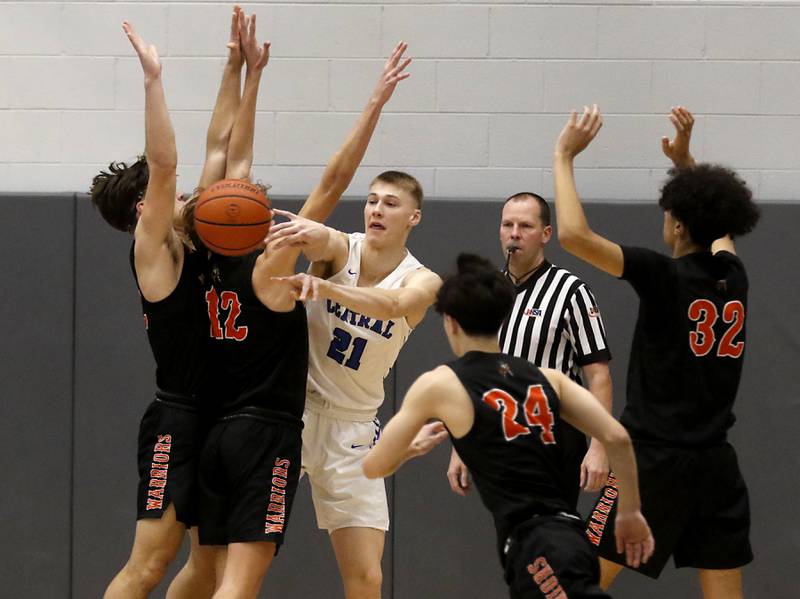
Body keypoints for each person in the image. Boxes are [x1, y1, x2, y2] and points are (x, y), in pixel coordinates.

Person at [191, 28, 415, 599]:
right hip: (274, 424)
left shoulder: (198, 256)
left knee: (199, 573)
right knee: (235, 585)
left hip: (235, 421)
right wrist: (375, 103)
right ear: (252, 222)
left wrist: (246, 73)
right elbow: (334, 180)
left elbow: (223, 156)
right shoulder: (274, 262)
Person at [552, 104, 759, 598]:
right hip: (715, 465)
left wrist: (563, 156)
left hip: (653, 463)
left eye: (670, 214)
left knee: (578, 584)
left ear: (680, 226)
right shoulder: (734, 277)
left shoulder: (663, 274)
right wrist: (686, 162)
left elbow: (572, 236)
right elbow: (722, 227)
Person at [362, 254, 654, 599]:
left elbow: (373, 465)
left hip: (537, 547)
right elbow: (617, 437)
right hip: (570, 539)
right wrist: (630, 512)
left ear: (450, 322)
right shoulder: (548, 378)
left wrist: (413, 449)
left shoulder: (440, 384)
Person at [89, 11, 247, 598]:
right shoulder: (153, 249)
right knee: (149, 565)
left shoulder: (191, 237)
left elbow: (217, 146)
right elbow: (167, 164)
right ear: (143, 209)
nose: (183, 197)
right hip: (178, 419)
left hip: (224, 416)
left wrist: (234, 67)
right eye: (169, 195)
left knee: (209, 568)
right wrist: (154, 79)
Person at [269, 169, 442, 599]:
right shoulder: (342, 248)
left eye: (390, 203)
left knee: (367, 578)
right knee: (247, 550)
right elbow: (322, 239)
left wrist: (327, 289)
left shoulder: (422, 279)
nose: (377, 209)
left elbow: (395, 305)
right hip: (292, 414)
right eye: (371, 200)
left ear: (413, 217)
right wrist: (304, 233)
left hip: (354, 428)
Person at [447, 192, 613, 507]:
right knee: (511, 530)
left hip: (554, 434)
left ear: (546, 234)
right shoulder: (487, 292)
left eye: (525, 226)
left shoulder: (571, 291)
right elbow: (470, 373)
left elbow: (599, 375)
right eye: (507, 224)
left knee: (550, 529)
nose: (514, 233)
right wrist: (461, 445)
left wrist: (599, 446)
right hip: (498, 431)